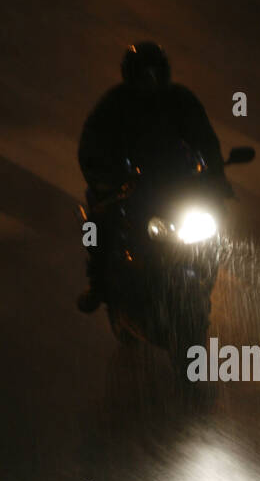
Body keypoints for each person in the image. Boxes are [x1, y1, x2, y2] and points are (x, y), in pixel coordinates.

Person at [76, 42, 228, 312]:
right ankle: (97, 283)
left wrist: (217, 176)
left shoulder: (181, 101)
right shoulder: (113, 105)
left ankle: (205, 275)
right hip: (129, 186)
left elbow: (206, 140)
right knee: (97, 223)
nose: (151, 79)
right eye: (144, 73)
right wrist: (106, 180)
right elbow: (90, 146)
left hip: (176, 185)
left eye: (155, 72)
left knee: (214, 220)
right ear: (131, 74)